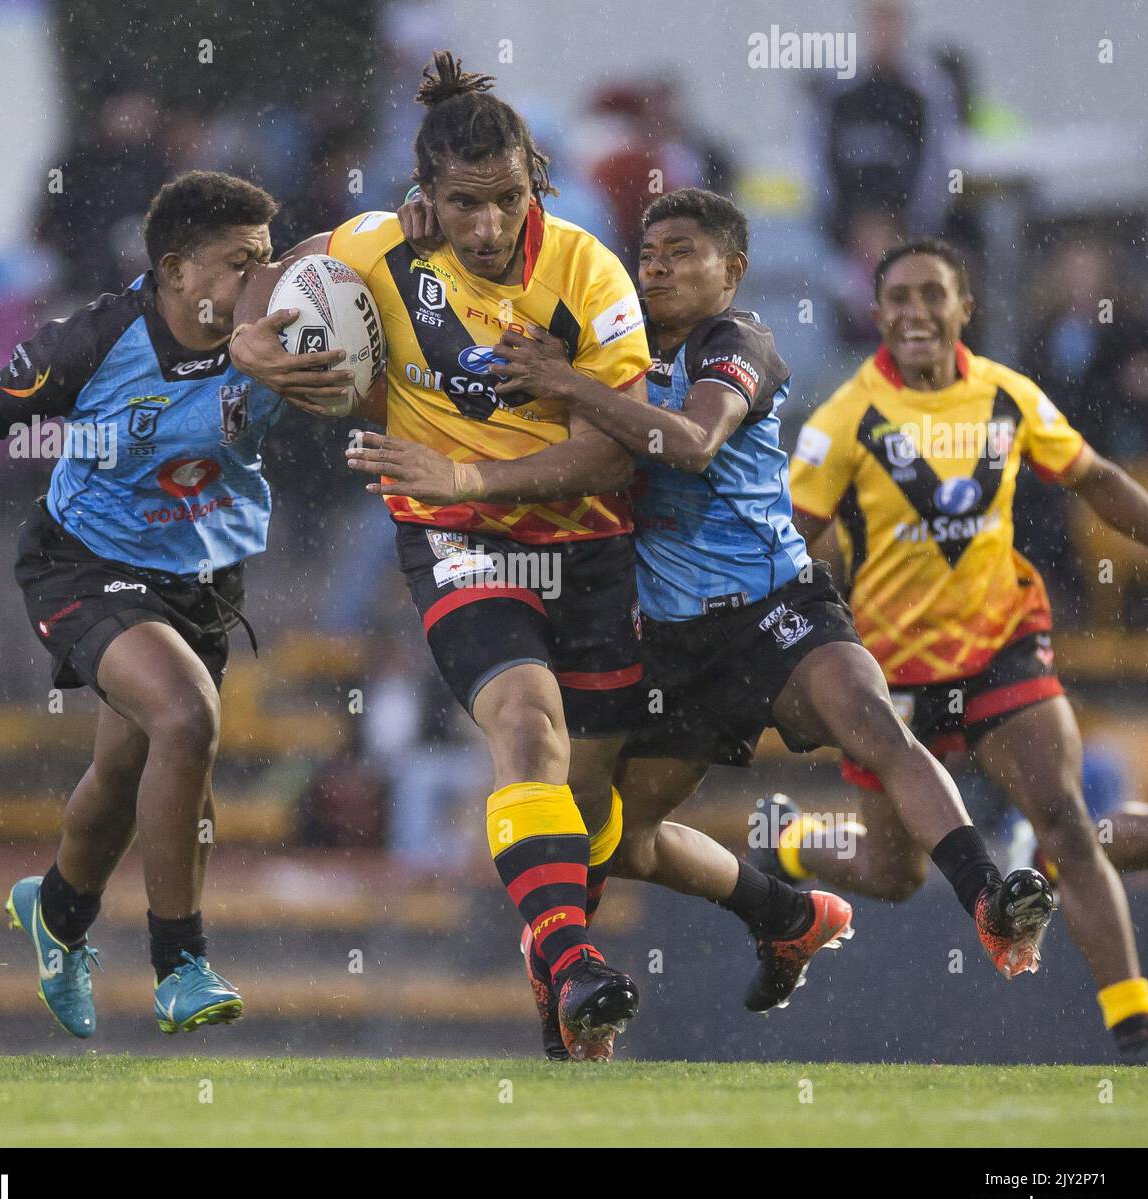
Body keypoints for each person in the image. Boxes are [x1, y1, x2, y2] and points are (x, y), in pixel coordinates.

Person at [348, 188, 1056, 1057]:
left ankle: (990, 894)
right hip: (670, 644)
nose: (656, 266)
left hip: (773, 610)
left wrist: (565, 383)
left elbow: (692, 443)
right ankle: (782, 915)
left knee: (871, 723)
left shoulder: (740, 343)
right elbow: (471, 369)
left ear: (735, 270)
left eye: (682, 251)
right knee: (613, 834)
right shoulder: (614, 349)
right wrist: (422, 240)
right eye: (648, 253)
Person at [230, 51, 650, 1059]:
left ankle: (561, 947)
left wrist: (473, 477)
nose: (489, 227)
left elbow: (621, 436)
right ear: (425, 199)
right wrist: (252, 348)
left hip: (586, 546)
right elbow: (261, 288)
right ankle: (574, 957)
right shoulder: (377, 249)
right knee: (524, 726)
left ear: (533, 180)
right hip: (457, 545)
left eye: (507, 200)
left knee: (590, 807)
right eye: (465, 205)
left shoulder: (588, 272)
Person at [0, 171, 342, 1038]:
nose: (262, 278)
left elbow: (348, 250)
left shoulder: (284, 309)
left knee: (128, 773)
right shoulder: (92, 339)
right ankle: (181, 960)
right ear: (174, 270)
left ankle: (55, 911)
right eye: (239, 263)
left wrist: (414, 220)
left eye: (267, 258)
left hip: (200, 582)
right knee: (185, 717)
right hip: (83, 562)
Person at [786, 237, 1148, 1053]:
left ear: (965, 309)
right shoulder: (843, 418)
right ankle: (789, 838)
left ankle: (1135, 1026)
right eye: (899, 299)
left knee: (1062, 818)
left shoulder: (1008, 396)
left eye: (932, 296)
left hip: (1001, 645)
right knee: (893, 873)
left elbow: (1094, 478)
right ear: (877, 314)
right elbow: (788, 541)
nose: (916, 312)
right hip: (893, 676)